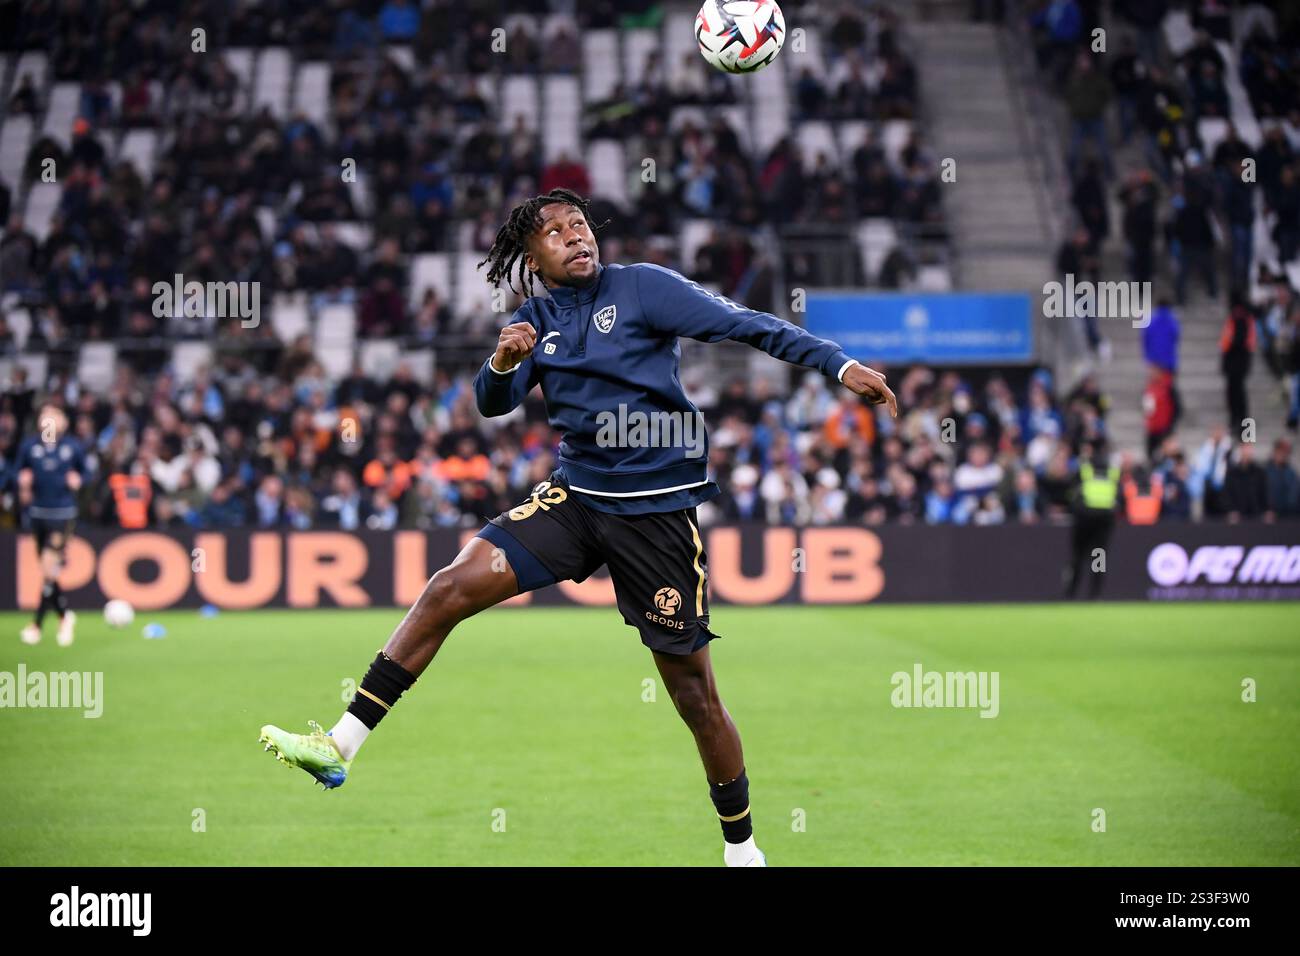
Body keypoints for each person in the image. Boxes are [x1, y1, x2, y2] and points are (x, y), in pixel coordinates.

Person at [258, 189, 898, 867]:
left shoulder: (645, 287)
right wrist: (503, 362)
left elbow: (746, 325)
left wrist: (839, 364)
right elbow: (491, 404)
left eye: (580, 226)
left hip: (655, 516)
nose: (575, 237)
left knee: (693, 694)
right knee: (448, 587)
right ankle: (340, 745)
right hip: (576, 501)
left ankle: (741, 850)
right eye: (557, 233)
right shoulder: (534, 320)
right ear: (532, 259)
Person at [15, 405, 86, 646]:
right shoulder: (30, 447)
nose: (48, 420)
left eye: (54, 416)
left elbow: (87, 473)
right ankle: (65, 617)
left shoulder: (72, 447)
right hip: (37, 513)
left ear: (63, 422)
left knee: (48, 566)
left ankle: (36, 625)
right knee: (48, 572)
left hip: (63, 514)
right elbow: (16, 472)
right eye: (45, 416)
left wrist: (79, 480)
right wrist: (22, 482)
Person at [1064, 443, 1119, 599]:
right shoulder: (1112, 472)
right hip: (1104, 522)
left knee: (1077, 557)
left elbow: (1069, 492)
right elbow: (1119, 497)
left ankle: (1071, 593)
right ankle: (1094, 594)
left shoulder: (1084, 470)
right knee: (1098, 557)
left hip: (1084, 520)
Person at [1219, 295, 1256, 432]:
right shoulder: (1239, 318)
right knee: (1234, 393)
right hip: (1235, 363)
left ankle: (1241, 425)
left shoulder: (1241, 319)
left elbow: (1237, 341)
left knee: (1237, 394)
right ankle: (1236, 421)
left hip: (1237, 363)